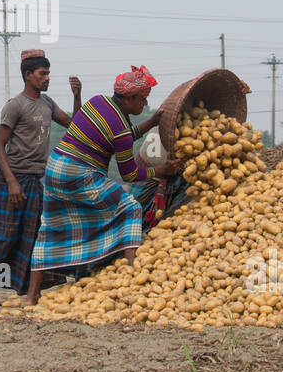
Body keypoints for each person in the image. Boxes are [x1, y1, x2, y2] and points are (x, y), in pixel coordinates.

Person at [23, 65, 181, 306]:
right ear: (128, 98)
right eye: (142, 100)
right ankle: (136, 276)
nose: (143, 104)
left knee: (52, 227)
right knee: (130, 208)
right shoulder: (120, 127)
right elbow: (129, 174)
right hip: (79, 173)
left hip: (56, 167)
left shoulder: (99, 103)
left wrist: (150, 123)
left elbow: (124, 135)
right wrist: (162, 170)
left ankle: (32, 297)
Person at [0, 51, 81, 304]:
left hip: (34, 179)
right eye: (42, 74)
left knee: (32, 235)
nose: (47, 78)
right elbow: (0, 146)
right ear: (28, 75)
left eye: (48, 74)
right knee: (5, 236)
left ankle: (27, 290)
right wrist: (11, 181)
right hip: (13, 177)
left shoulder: (48, 103)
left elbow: (75, 125)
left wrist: (77, 97)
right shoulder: (16, 105)